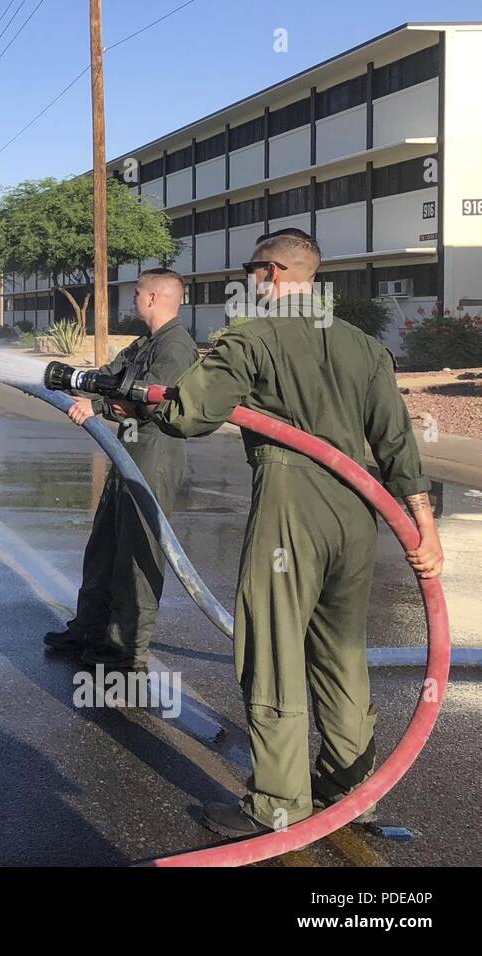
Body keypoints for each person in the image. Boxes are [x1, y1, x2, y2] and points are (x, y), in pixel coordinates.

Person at [152, 228, 444, 837]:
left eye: (254, 271)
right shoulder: (363, 346)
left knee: (274, 647)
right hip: (358, 509)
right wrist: (424, 528)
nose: (250, 282)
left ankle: (280, 805)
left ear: (275, 272)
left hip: (292, 503)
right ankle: (350, 788)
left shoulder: (254, 335)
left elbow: (189, 413)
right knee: (341, 652)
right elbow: (396, 444)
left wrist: (139, 403)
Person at [44, 268, 198, 673]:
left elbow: (154, 402)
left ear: (152, 298)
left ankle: (124, 650)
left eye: (136, 294)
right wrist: (71, 382)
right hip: (127, 453)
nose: (132, 300)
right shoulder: (145, 343)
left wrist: (99, 407)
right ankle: (89, 631)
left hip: (154, 457)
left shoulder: (176, 347)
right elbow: (111, 380)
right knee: (104, 548)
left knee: (136, 554)